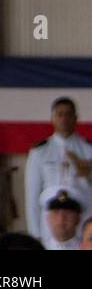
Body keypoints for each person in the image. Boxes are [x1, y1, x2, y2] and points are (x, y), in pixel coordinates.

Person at [25, 97, 92, 244]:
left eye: (68, 114)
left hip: (83, 219)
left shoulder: (88, 150)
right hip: (50, 224)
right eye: (59, 114)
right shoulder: (40, 152)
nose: (64, 119)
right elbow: (32, 196)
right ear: (52, 119)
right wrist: (35, 235)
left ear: (76, 118)